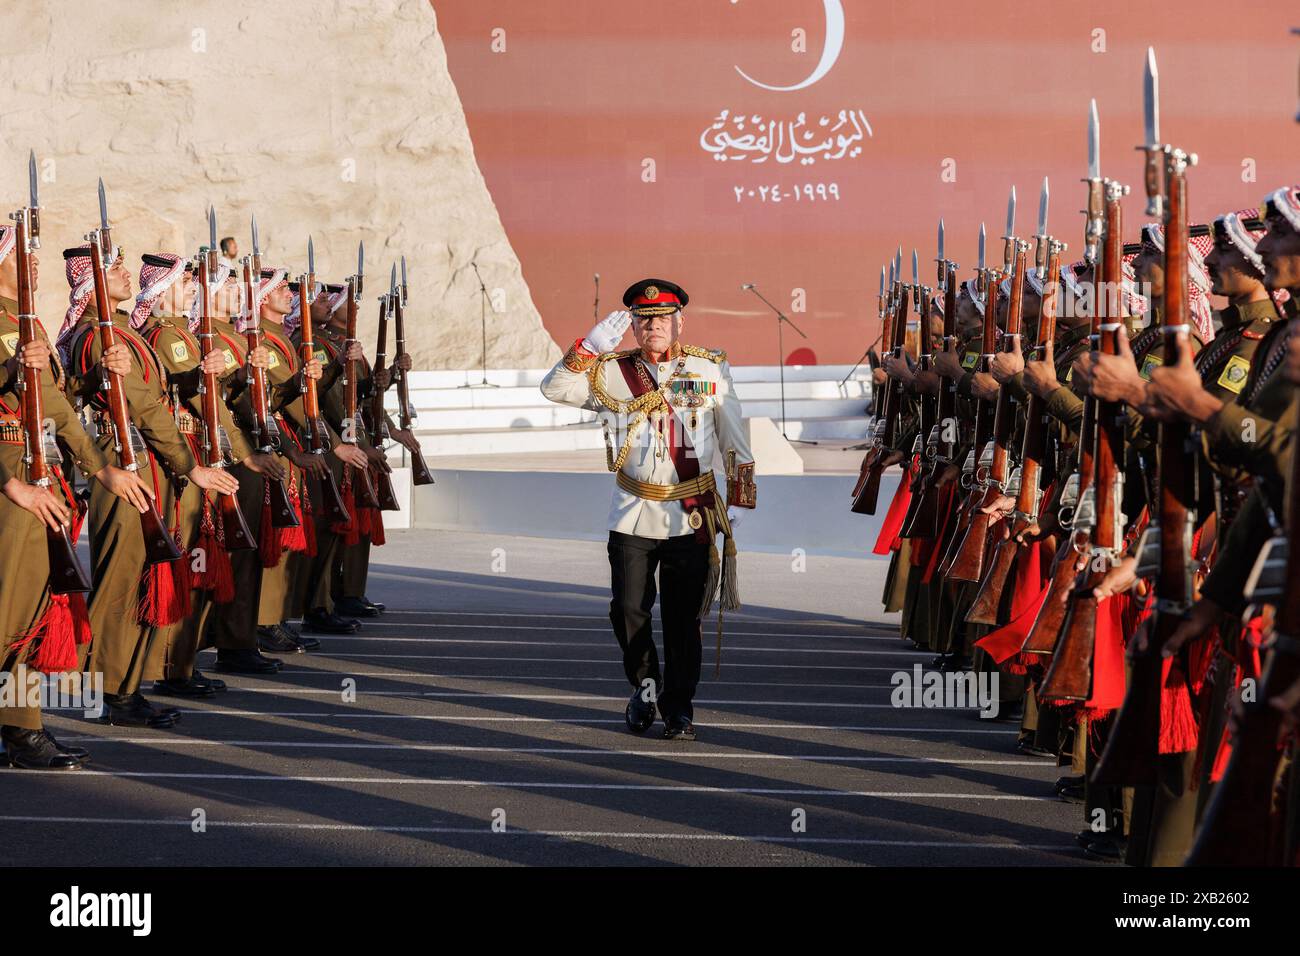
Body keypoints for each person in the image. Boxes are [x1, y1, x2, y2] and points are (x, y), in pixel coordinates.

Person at [540, 279, 757, 740]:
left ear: (679, 320)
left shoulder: (709, 367)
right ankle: (645, 688)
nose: (653, 326)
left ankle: (680, 708)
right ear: (633, 326)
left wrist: (740, 498)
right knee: (627, 609)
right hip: (633, 510)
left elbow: (733, 436)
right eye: (643, 319)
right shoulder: (611, 371)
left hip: (691, 512)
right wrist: (589, 347)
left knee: (683, 619)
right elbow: (554, 389)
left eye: (662, 318)